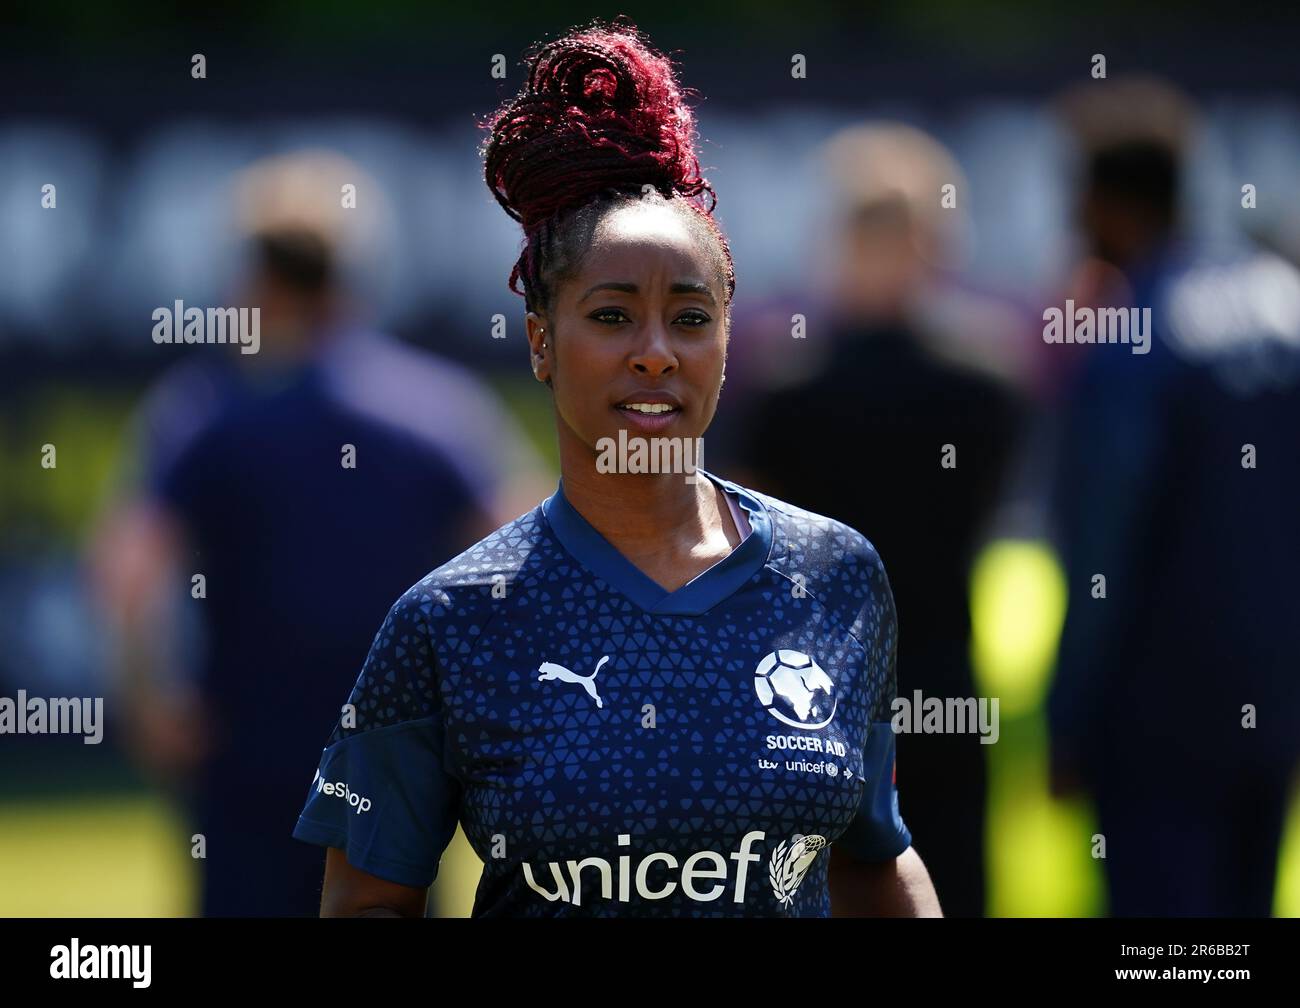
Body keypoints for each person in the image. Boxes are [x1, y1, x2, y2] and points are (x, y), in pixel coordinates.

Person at [291, 19, 942, 918]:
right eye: (609, 316)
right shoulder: (450, 621)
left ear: (725, 338)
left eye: (688, 316)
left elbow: (875, 859)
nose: (654, 353)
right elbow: (368, 900)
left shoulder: (836, 578)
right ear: (540, 342)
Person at [89, 151, 548, 916]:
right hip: (395, 758)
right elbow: (524, 544)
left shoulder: (205, 414)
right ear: (350, 277)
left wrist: (148, 699)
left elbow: (127, 568)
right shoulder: (432, 409)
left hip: (247, 753)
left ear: (257, 280)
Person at [732, 124, 1026, 918]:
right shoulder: (988, 381)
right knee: (950, 884)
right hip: (941, 685)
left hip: (809, 694)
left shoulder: (786, 388)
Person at [1046, 77, 1300, 916]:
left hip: (1155, 725)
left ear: (1106, 200)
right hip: (1271, 713)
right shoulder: (1283, 308)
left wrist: (1068, 715)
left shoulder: (1131, 341)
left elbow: (1100, 558)